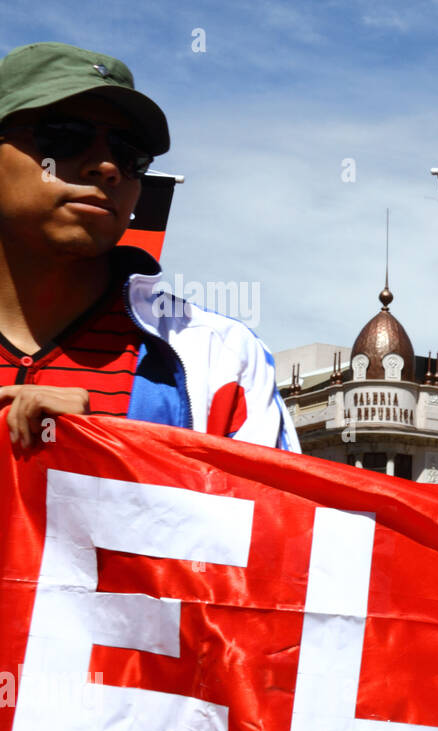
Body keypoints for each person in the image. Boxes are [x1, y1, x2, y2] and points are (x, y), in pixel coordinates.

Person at [0, 41, 297, 451]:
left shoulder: (222, 359)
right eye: (64, 136)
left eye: (129, 155)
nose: (106, 167)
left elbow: (271, 511)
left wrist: (107, 455)